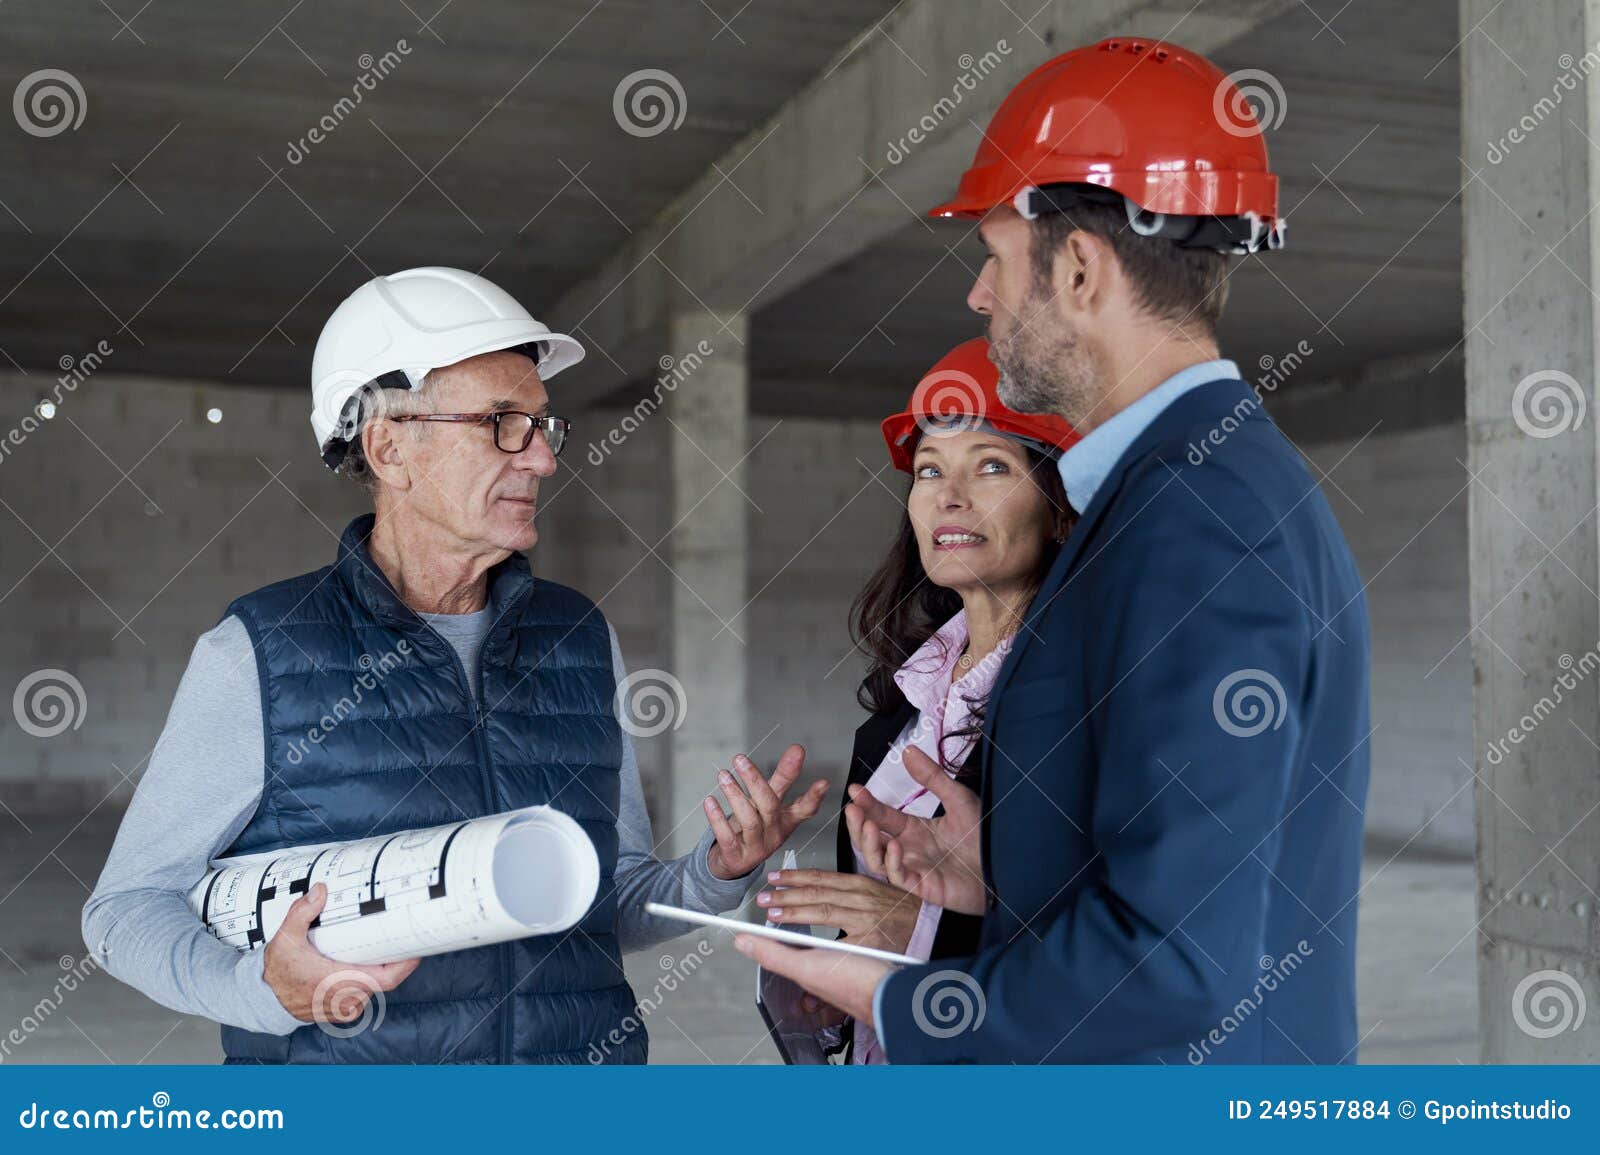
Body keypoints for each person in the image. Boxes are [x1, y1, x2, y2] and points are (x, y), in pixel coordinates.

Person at [738, 38, 1371, 1065]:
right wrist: (1006, 870)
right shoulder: (1181, 493)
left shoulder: (1196, 515)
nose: (980, 298)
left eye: (994, 258)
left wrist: (904, 1000)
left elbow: (1179, 963)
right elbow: (1187, 863)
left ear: (1077, 269)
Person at [82, 266, 827, 1064]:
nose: (542, 459)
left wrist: (717, 872)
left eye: (544, 426)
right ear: (390, 446)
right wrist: (261, 991)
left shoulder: (577, 636)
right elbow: (127, 908)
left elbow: (602, 899)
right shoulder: (261, 652)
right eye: (504, 422)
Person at [754, 339, 1076, 1063]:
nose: (948, 494)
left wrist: (924, 935)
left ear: (1060, 509)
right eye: (930, 469)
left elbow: (1123, 945)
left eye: (991, 465)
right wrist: (825, 990)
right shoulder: (894, 721)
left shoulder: (1089, 707)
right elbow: (871, 926)